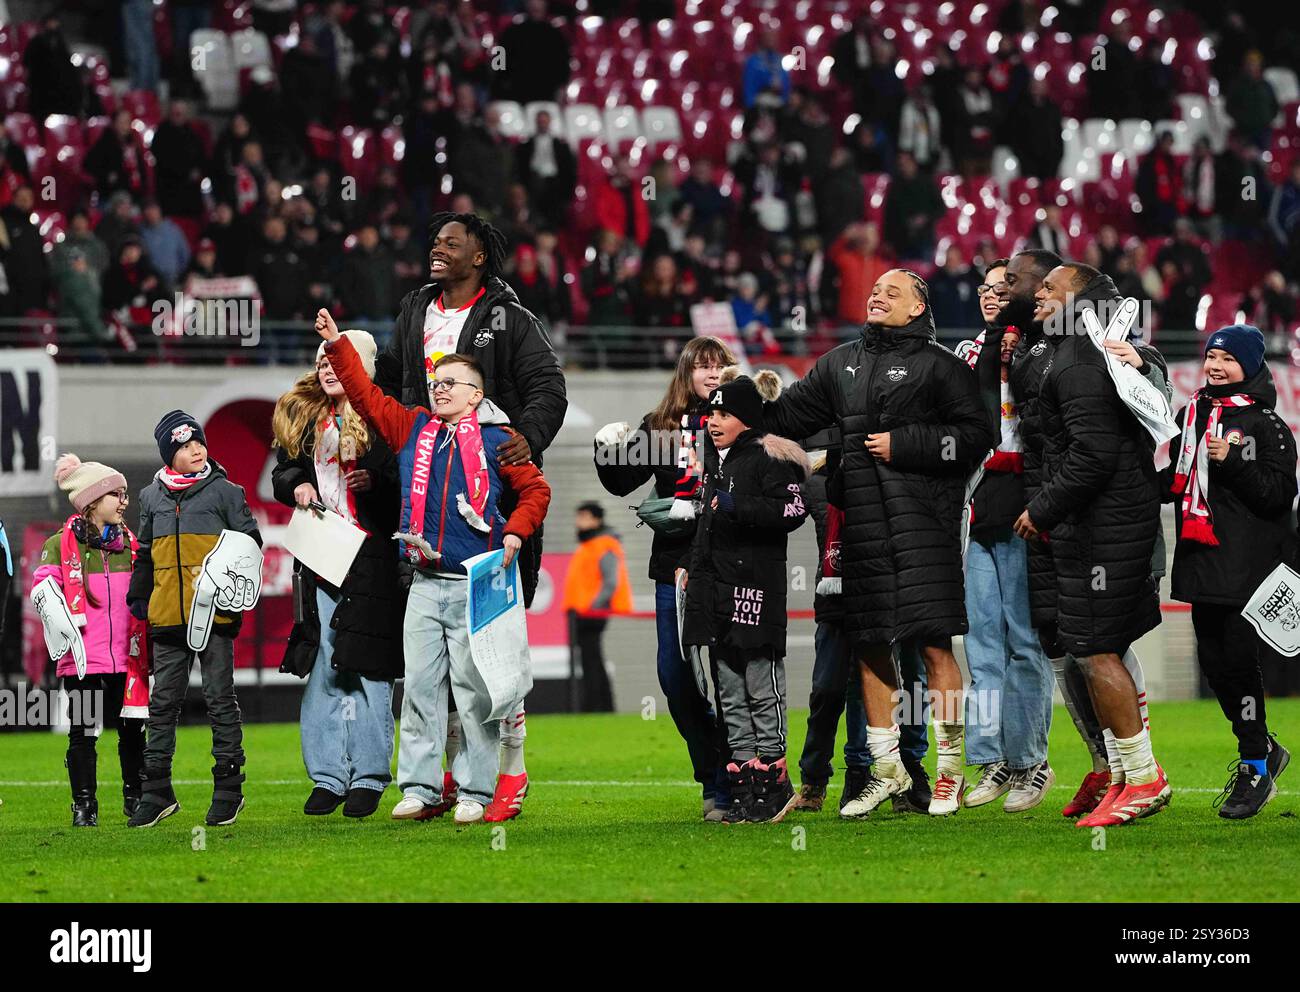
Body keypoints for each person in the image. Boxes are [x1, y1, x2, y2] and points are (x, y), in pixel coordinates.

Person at [763, 269, 994, 817]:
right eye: (874, 290)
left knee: (935, 646)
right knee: (869, 643)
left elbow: (977, 437)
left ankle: (949, 772)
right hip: (864, 523)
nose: (876, 295)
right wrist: (735, 402)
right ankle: (885, 769)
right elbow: (789, 416)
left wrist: (906, 443)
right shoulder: (840, 362)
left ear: (917, 308)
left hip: (924, 525)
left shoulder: (942, 366)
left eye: (892, 292)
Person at [316, 311, 551, 824]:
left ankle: (475, 790)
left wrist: (515, 531)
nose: (439, 389)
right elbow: (366, 397)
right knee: (420, 690)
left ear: (475, 394)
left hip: (473, 585)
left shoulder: (498, 439)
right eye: (436, 381)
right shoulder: (413, 427)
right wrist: (338, 345)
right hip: (422, 581)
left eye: (451, 383)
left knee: (473, 694)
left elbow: (536, 489)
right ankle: (421, 788)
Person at [1015, 263, 1170, 828]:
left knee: (1098, 646)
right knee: (1087, 646)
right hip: (1092, 523)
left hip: (1103, 522)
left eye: (1050, 288)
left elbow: (1094, 454)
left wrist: (1042, 508)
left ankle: (1144, 776)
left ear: (1079, 302)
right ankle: (1127, 774)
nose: (1038, 295)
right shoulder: (1066, 350)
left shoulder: (1079, 356)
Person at [372, 211, 567, 611]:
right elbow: (387, 383)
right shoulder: (414, 311)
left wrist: (528, 437)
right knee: (418, 617)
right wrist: (385, 457)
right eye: (436, 242)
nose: (437, 249)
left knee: (482, 621)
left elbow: (547, 385)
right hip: (423, 475)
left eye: (451, 243)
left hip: (481, 479)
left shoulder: (509, 318)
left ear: (479, 258)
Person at [593, 336, 736, 820]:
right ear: (686, 372)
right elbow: (619, 482)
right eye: (703, 365)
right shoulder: (661, 426)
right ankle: (713, 772)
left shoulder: (742, 419)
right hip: (674, 566)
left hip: (732, 562)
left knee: (730, 675)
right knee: (676, 678)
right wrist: (605, 448)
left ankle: (736, 779)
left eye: (720, 365)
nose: (713, 373)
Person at [1159, 325, 1294, 818]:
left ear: (1250, 367)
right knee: (1216, 667)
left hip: (1245, 565)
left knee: (1238, 663)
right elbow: (1175, 480)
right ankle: (1263, 751)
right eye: (1211, 356)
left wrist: (1234, 459)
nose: (1216, 366)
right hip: (1200, 561)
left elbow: (1278, 496)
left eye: (1228, 359)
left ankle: (1255, 766)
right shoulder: (1190, 415)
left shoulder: (1267, 425)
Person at [272, 330, 406, 818]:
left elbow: (405, 483)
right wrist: (298, 485)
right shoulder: (305, 419)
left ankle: (368, 777)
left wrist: (376, 481)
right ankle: (328, 776)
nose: (329, 368)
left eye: (339, 360)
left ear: (362, 368)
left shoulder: (383, 417)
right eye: (323, 361)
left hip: (371, 557)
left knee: (369, 666)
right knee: (325, 664)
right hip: (319, 554)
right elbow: (282, 471)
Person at [682, 372, 810, 822]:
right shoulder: (717, 462)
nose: (714, 421)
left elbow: (795, 509)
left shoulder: (770, 457)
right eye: (711, 413)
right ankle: (743, 783)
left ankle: (774, 779)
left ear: (748, 418)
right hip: (716, 594)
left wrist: (739, 507)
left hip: (756, 589)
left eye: (725, 413)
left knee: (761, 684)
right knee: (730, 693)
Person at [126, 411, 263, 828]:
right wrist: (140, 597)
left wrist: (229, 585)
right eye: (183, 446)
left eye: (197, 442)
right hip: (167, 616)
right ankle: (156, 791)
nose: (195, 450)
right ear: (170, 455)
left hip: (214, 616)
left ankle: (228, 788)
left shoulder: (226, 492)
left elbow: (250, 546)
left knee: (221, 700)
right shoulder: (151, 497)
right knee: (163, 703)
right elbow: (146, 554)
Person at [781, 443, 932, 818]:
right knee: (831, 688)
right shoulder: (817, 481)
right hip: (836, 598)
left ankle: (908, 770)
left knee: (906, 680)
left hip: (896, 592)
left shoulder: (898, 469)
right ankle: (821, 777)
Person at [958, 260, 1055, 811]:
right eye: (986, 289)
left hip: (1027, 506)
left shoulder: (1041, 350)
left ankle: (1029, 763)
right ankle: (990, 760)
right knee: (982, 647)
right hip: (978, 508)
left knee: (1024, 643)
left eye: (1004, 288)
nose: (993, 296)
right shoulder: (968, 356)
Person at [32, 455, 149, 826]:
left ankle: (136, 800)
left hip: (125, 657)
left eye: (125, 493)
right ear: (92, 500)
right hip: (82, 658)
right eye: (117, 494)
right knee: (83, 732)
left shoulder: (132, 545)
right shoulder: (57, 545)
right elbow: (42, 589)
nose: (124, 501)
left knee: (132, 729)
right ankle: (84, 806)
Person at [561, 502, 633, 713]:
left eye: (584, 516)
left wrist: (593, 607)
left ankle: (597, 706)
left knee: (591, 660)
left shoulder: (604, 544)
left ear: (596, 519)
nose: (579, 521)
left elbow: (611, 582)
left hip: (591, 613)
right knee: (591, 659)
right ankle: (600, 706)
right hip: (583, 612)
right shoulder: (591, 544)